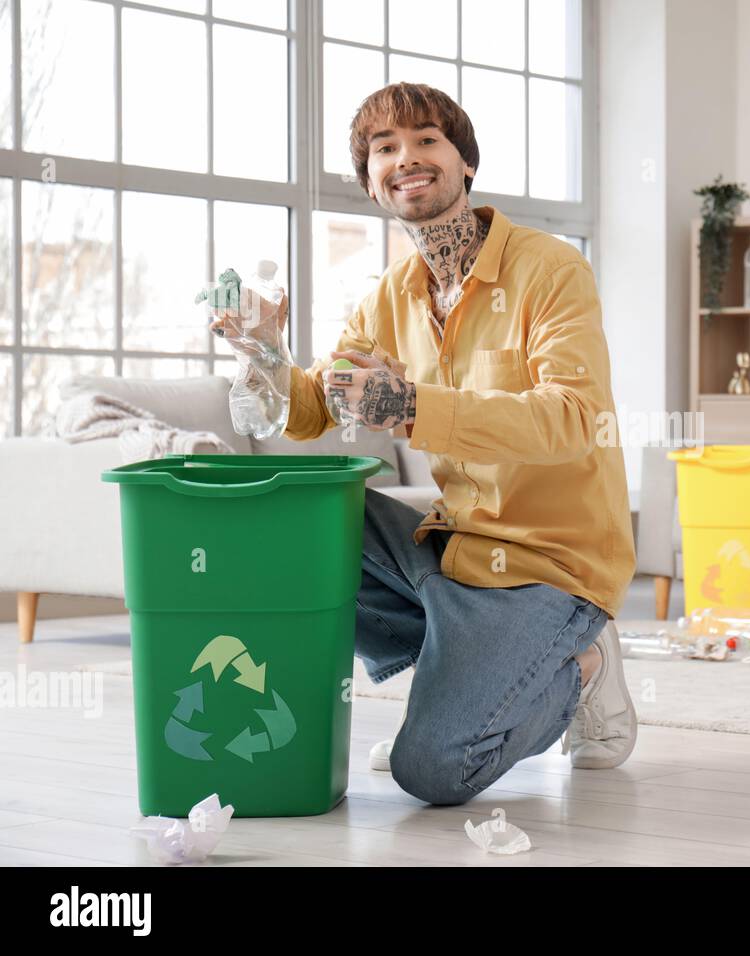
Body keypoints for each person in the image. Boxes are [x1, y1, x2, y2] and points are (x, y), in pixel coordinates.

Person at [209, 82, 637, 806]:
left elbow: (571, 418)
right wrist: (266, 352)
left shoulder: (550, 270)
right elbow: (312, 411)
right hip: (456, 547)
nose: (406, 157)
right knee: (298, 521)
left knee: (434, 773)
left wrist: (412, 405)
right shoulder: (389, 295)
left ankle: (580, 663)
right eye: (384, 149)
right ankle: (470, 680)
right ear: (373, 184)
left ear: (464, 163)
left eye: (426, 140)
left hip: (549, 566)